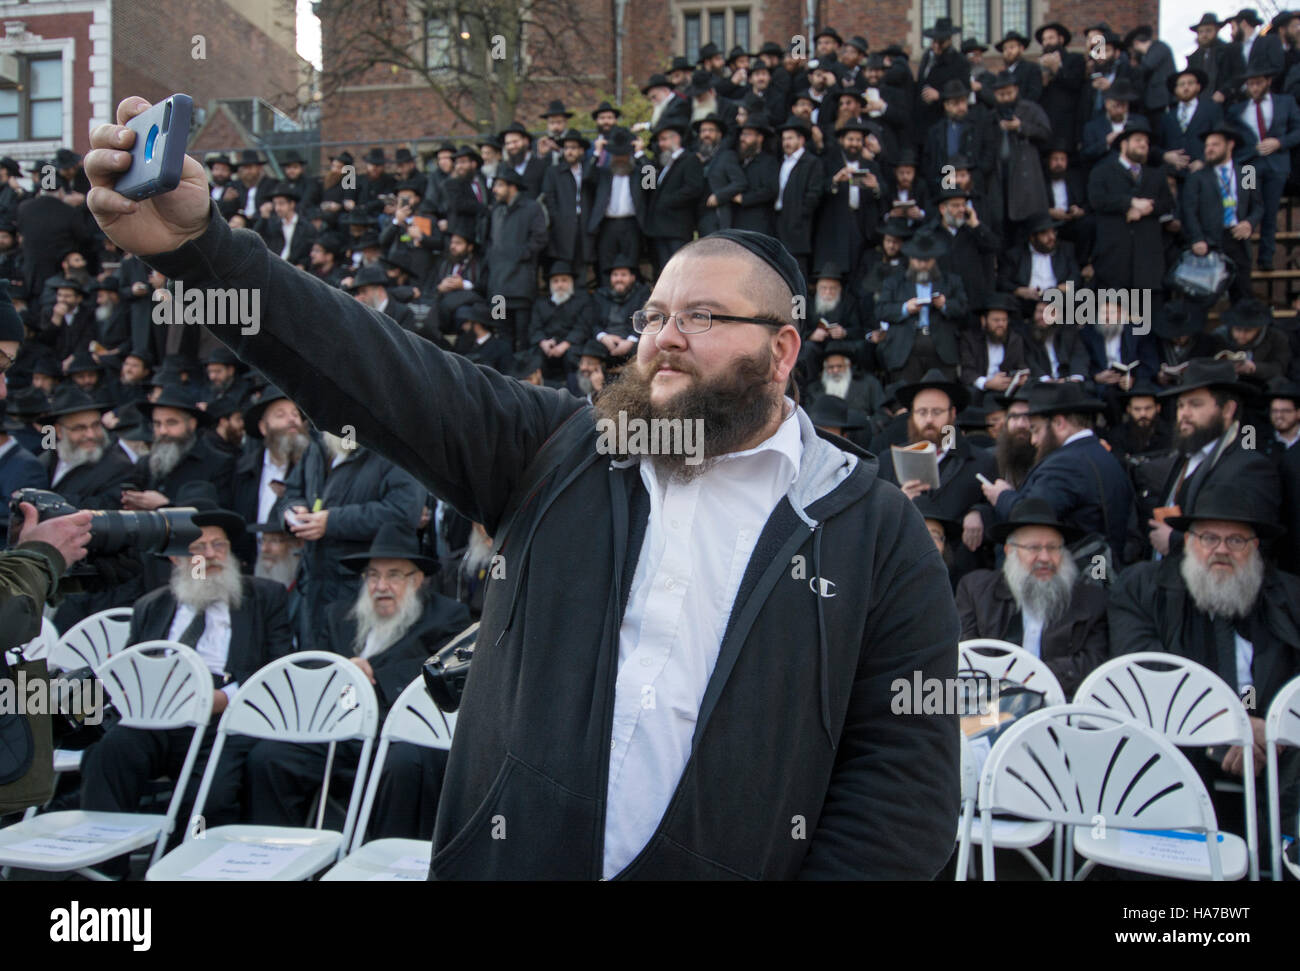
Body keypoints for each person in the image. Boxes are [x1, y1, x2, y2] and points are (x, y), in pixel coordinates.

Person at [85, 99, 959, 879]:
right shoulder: (556, 448)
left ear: (782, 352)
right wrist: (205, 252)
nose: (663, 336)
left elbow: (902, 787)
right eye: (653, 315)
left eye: (703, 316)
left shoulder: (871, 528)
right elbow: (374, 367)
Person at [78, 483, 293, 874]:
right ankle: (104, 870)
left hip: (223, 720)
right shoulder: (152, 606)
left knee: (208, 794)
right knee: (108, 753)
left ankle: (182, 872)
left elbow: (277, 668)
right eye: (197, 548)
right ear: (177, 558)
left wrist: (226, 697)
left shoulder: (266, 597)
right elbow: (133, 670)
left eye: (219, 546)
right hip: (158, 716)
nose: (210, 556)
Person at [1108, 481, 1300, 864]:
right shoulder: (1143, 589)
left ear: (1256, 547)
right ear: (1189, 541)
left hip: (1278, 745)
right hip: (1182, 738)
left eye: (1236, 540)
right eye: (1209, 537)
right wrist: (1228, 727)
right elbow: (1145, 676)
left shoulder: (1290, 597)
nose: (1221, 550)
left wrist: (1283, 726)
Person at [245, 524, 469, 839]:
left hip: (397, 735)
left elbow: (448, 673)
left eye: (394, 575)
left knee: (405, 764)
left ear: (417, 580)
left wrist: (374, 675)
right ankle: (280, 851)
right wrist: (339, 671)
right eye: (373, 576)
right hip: (337, 729)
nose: (381, 585)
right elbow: (314, 667)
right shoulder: (338, 615)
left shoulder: (447, 616)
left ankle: (381, 860)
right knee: (269, 756)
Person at [955, 498, 1108, 696]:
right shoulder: (975, 590)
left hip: (1060, 706)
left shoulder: (1090, 600)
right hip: (989, 705)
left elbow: (1093, 662)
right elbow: (969, 654)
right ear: (1010, 551)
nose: (1045, 558)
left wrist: (1030, 678)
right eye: (1034, 548)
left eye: (1053, 548)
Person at [981, 382, 1134, 564]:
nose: (1034, 440)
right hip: (1102, 570)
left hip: (1074, 577)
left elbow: (1032, 516)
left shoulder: (1065, 465)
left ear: (1059, 424)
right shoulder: (1104, 456)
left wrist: (1002, 496)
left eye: (1036, 430)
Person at [1182, 125, 1261, 303]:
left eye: (1215, 144)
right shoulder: (1198, 176)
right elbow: (1188, 210)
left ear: (1230, 145)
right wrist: (1197, 238)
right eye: (1207, 145)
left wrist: (1249, 223)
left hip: (1237, 239)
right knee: (1201, 297)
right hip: (1209, 241)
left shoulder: (1247, 172)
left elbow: (1257, 206)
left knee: (1242, 295)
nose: (1209, 149)